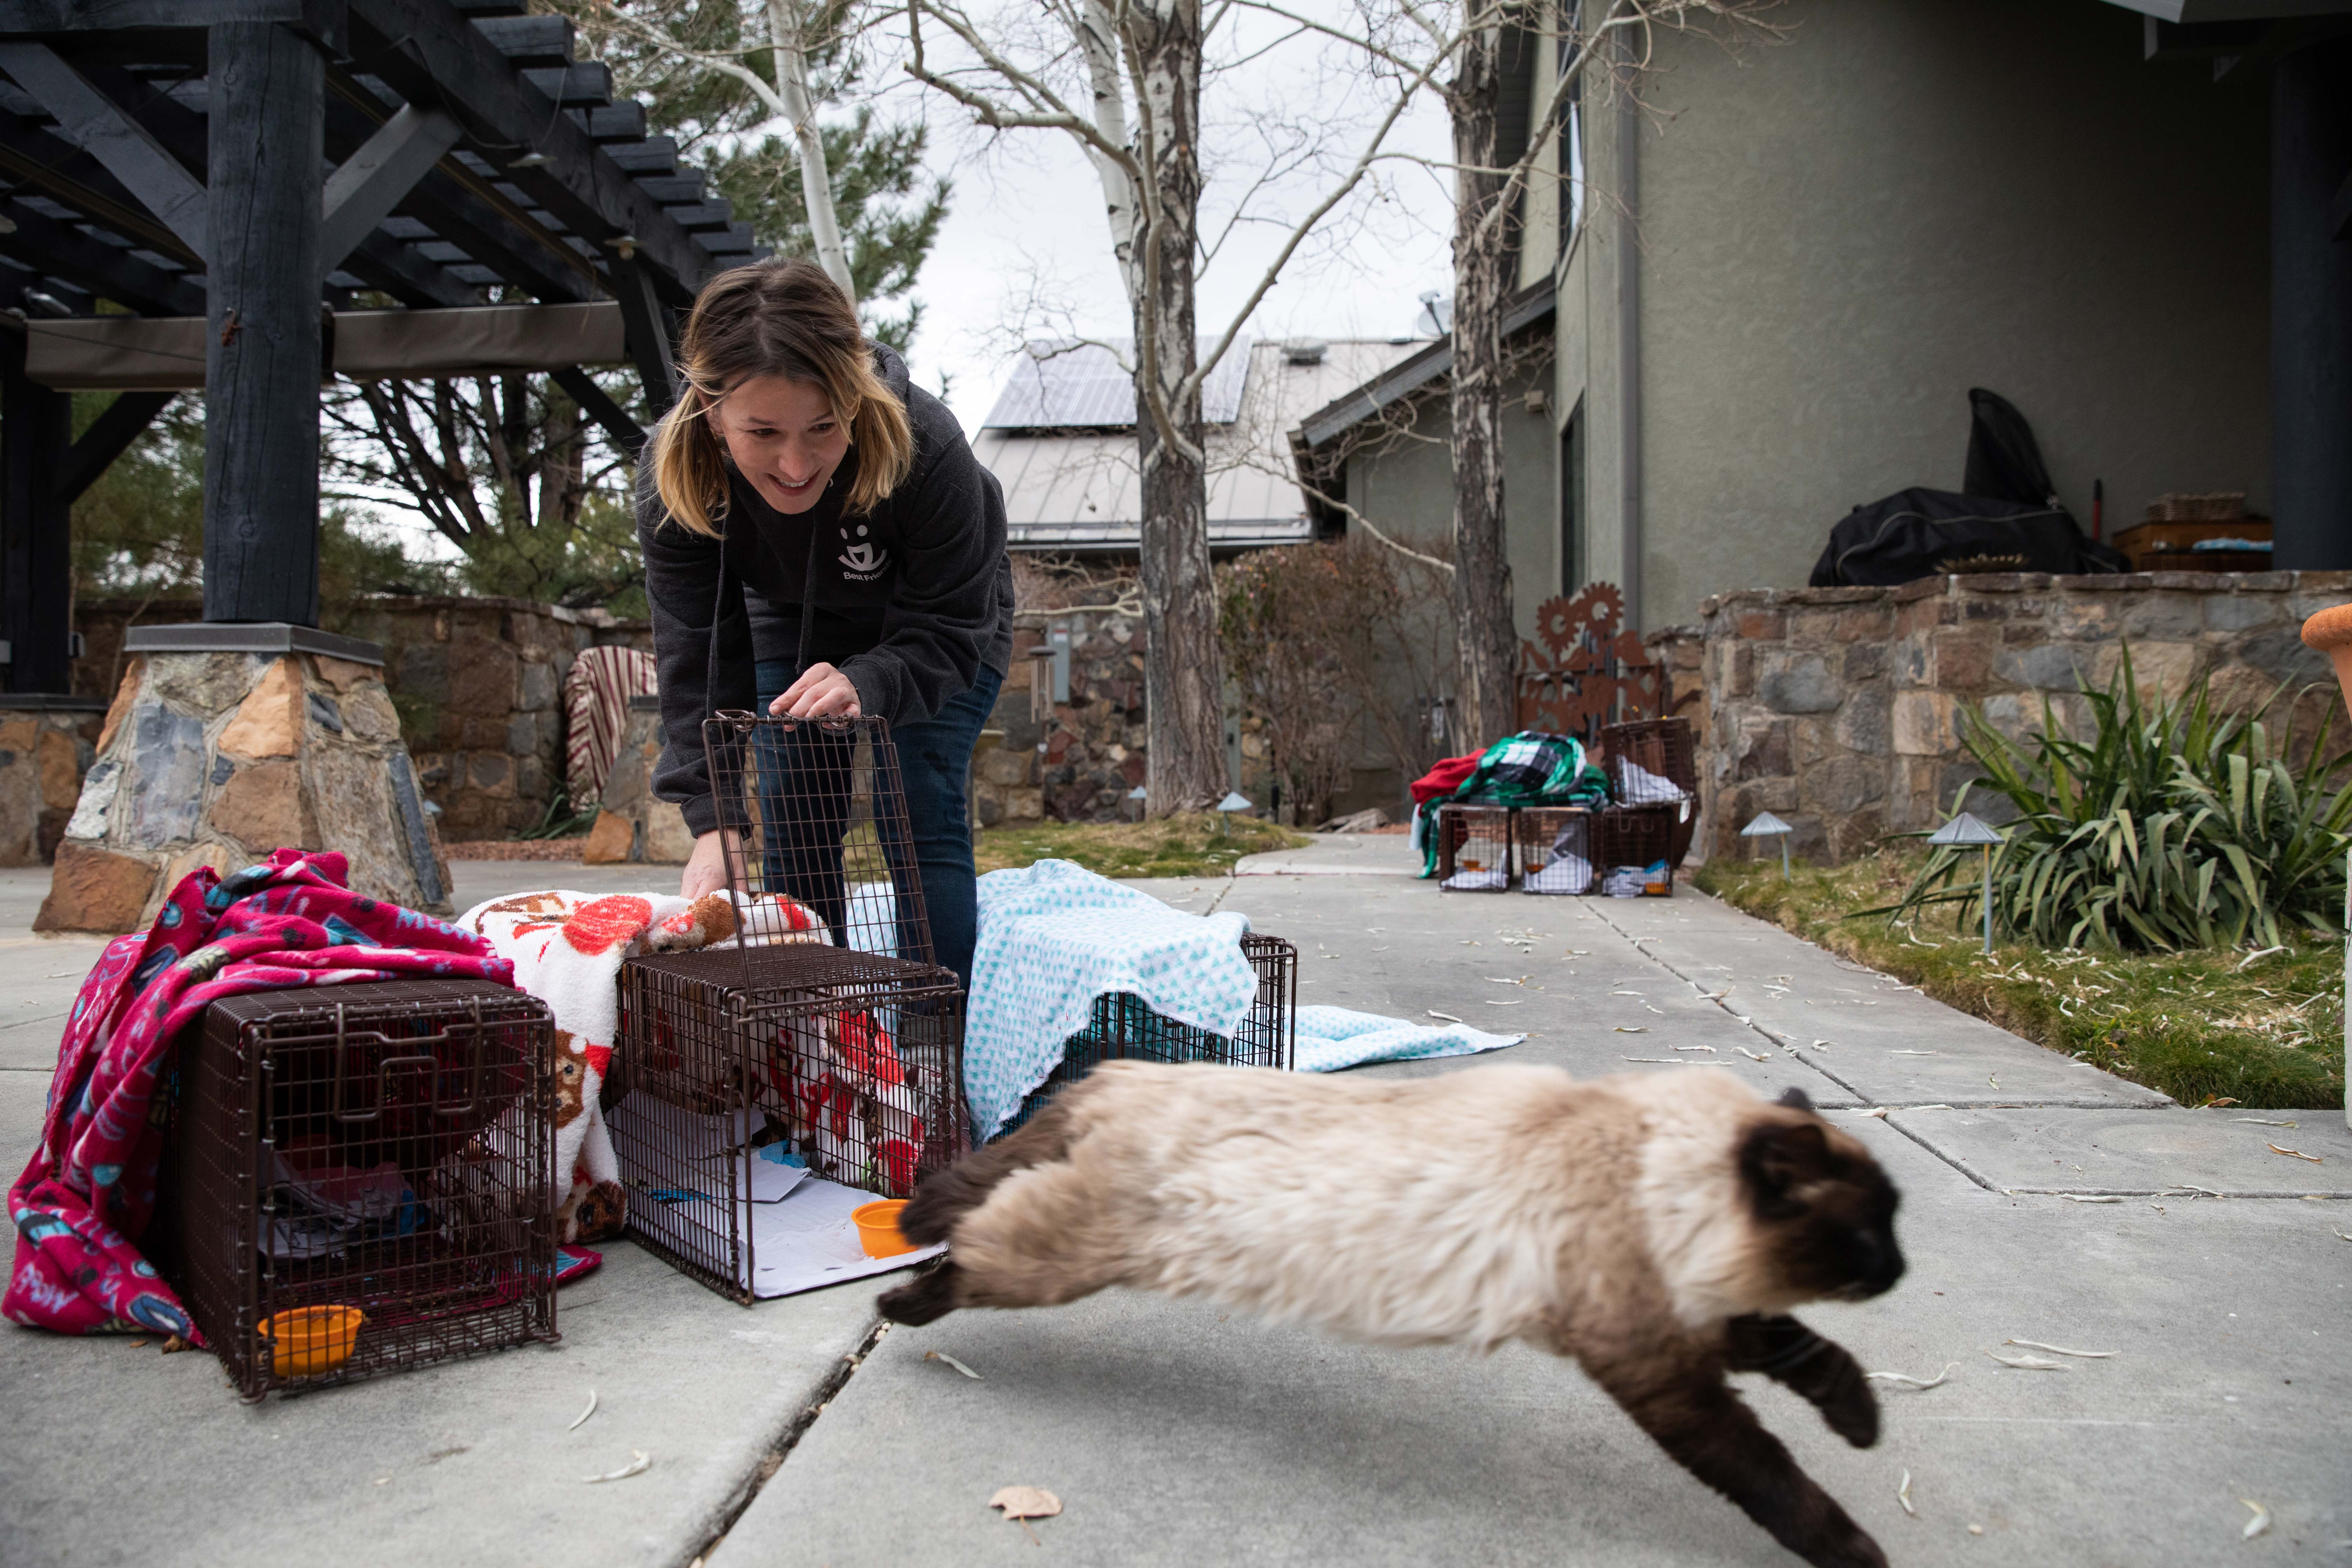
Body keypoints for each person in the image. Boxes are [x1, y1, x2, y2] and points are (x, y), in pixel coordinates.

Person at [638, 258, 1013, 985]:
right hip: (793, 617)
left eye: (822, 426)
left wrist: (871, 679)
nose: (796, 462)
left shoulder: (928, 444)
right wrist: (715, 821)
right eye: (763, 431)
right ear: (713, 414)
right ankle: (820, 1027)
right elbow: (698, 656)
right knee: (797, 817)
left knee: (920, 808)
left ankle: (932, 1035)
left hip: (941, 627)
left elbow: (952, 620)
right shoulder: (674, 477)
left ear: (854, 397)